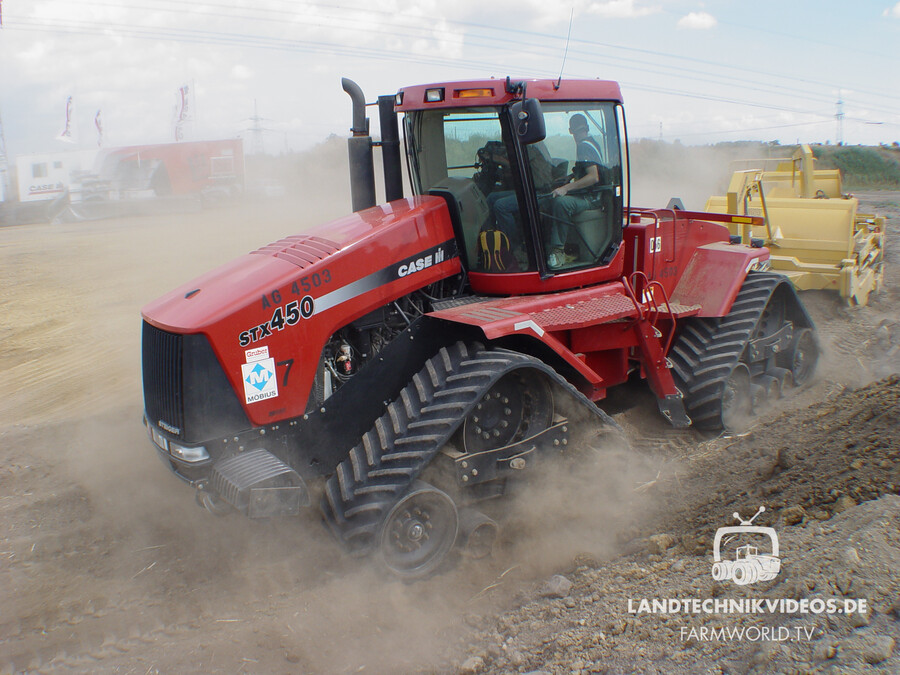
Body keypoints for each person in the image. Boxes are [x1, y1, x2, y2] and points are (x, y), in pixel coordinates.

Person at [545, 113, 605, 269]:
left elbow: (593, 177)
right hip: (592, 196)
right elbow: (587, 172)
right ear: (587, 127)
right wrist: (569, 178)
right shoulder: (592, 143)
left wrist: (565, 188)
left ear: (570, 130)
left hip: (591, 199)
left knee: (560, 203)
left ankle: (557, 251)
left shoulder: (584, 146)